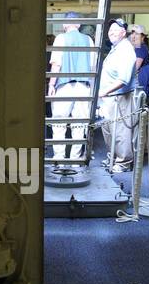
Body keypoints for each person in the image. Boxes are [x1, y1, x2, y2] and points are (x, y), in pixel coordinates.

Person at [48, 14, 96, 161]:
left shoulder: (61, 38)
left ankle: (59, 159)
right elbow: (93, 66)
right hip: (84, 87)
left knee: (59, 124)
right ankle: (75, 160)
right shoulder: (88, 40)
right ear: (79, 24)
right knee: (79, 125)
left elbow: (56, 64)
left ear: (64, 25)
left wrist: (51, 84)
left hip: (64, 87)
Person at [97, 18, 138, 172]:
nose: (111, 32)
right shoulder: (116, 48)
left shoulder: (125, 49)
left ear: (123, 32)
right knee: (109, 130)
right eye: (110, 30)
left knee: (121, 131)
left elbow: (123, 79)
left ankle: (123, 162)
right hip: (108, 97)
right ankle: (113, 158)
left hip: (120, 97)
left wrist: (104, 92)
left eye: (115, 30)